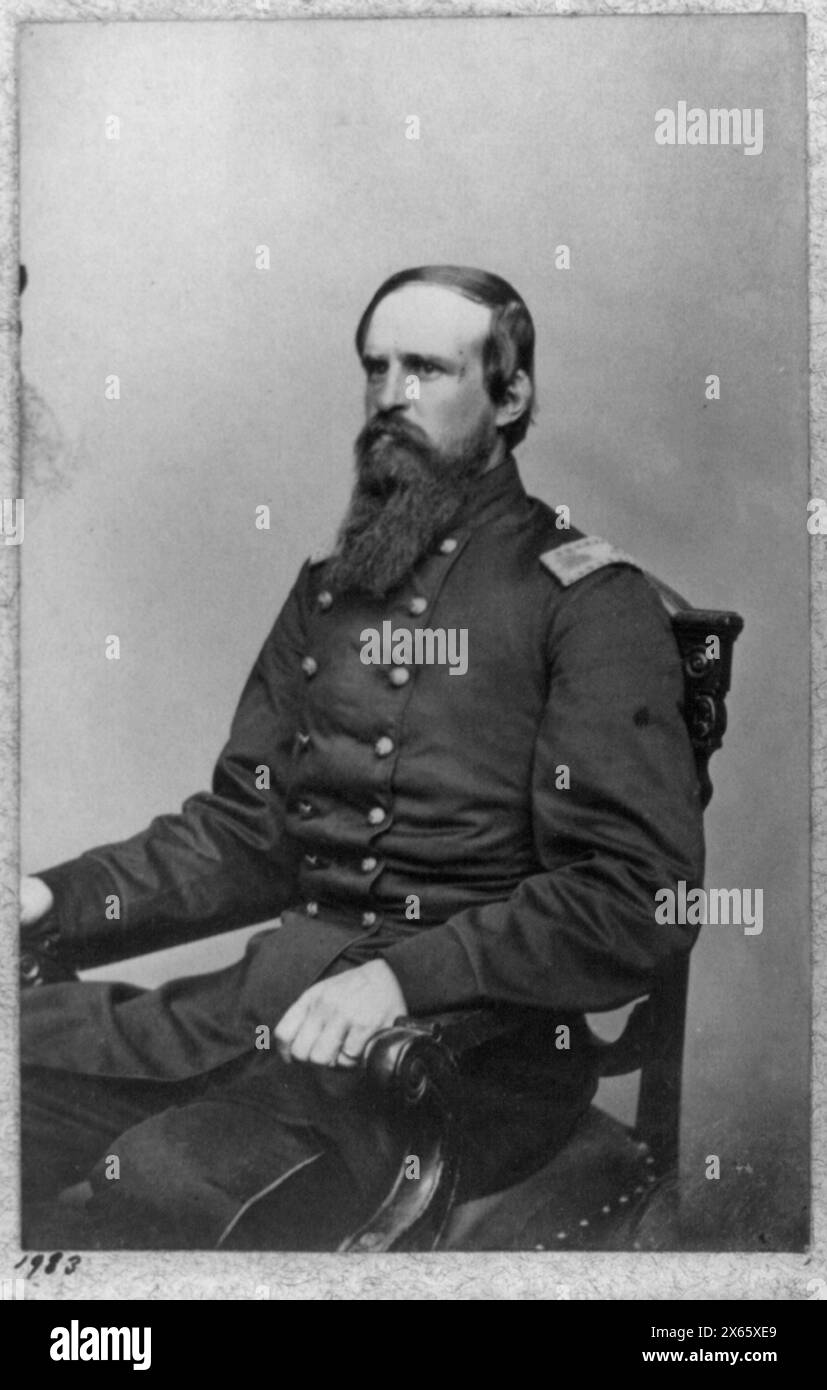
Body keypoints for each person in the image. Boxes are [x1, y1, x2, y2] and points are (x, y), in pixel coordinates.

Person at [20, 264, 705, 1250]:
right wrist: (58, 896)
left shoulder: (587, 604)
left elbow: (635, 891)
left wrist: (399, 981)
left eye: (426, 368)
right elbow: (248, 831)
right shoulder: (332, 592)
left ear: (510, 398)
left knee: (173, 1185)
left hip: (466, 1059)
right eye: (375, 368)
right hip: (261, 1013)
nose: (390, 397)